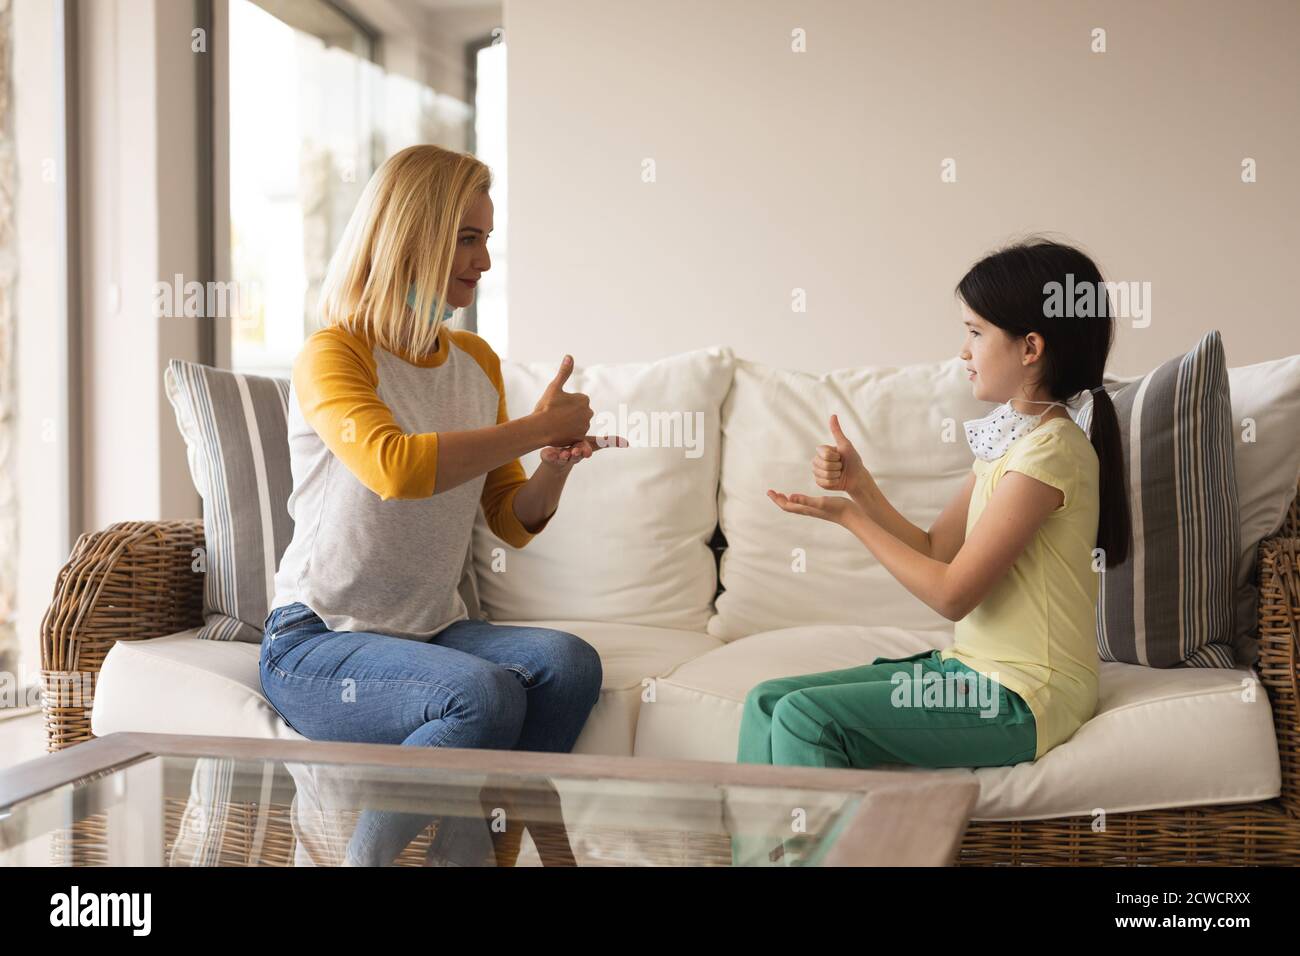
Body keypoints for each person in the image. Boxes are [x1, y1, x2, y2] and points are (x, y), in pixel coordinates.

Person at [258, 144, 624, 866]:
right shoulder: (336, 353)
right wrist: (535, 426)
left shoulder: (475, 362)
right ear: (410, 234)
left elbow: (513, 519)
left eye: (487, 239)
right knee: (482, 698)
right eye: (467, 236)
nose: (484, 261)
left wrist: (552, 464)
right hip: (318, 639)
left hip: (430, 633)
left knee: (569, 665)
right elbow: (393, 467)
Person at [736, 237, 1132, 865]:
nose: (963, 351)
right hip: (973, 673)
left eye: (975, 333)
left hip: (1024, 695)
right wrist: (860, 490)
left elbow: (952, 593)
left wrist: (849, 520)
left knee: (807, 719)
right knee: (767, 702)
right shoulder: (1008, 443)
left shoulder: (1051, 452)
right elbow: (934, 547)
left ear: (1031, 348)